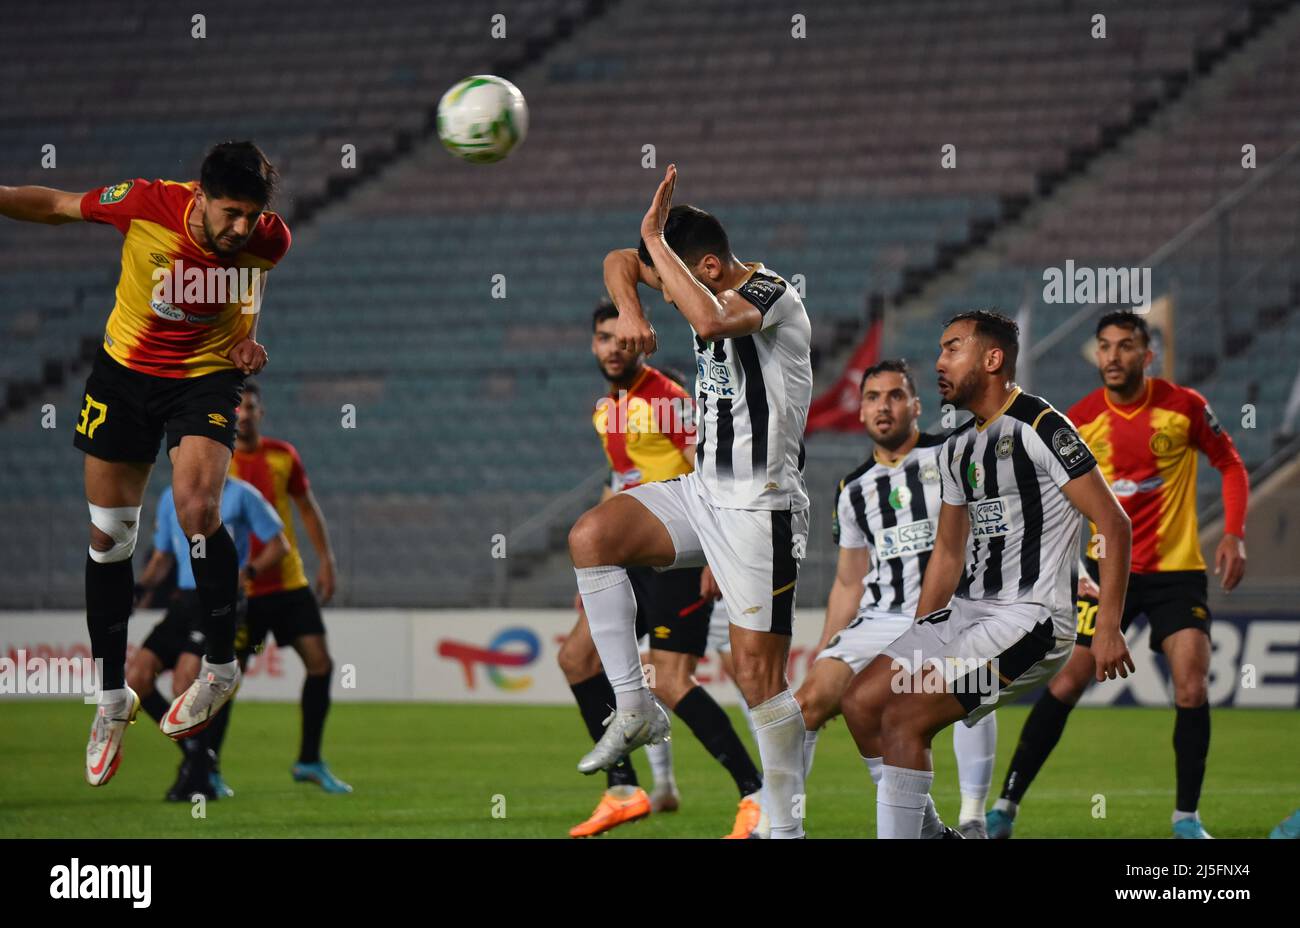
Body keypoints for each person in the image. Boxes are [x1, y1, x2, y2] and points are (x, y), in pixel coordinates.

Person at [0, 140, 290, 785]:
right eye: (232, 213)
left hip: (203, 380)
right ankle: (111, 700)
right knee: (109, 538)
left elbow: (246, 296)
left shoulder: (271, 240)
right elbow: (53, 203)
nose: (241, 228)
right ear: (202, 195)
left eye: (251, 217)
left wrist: (243, 343)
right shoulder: (145, 203)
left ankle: (218, 669)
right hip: (123, 377)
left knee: (198, 510)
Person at [569, 165, 814, 838]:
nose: (672, 301)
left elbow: (706, 315)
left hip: (761, 508)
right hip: (702, 492)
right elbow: (619, 260)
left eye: (675, 279)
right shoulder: (694, 278)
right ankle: (634, 705)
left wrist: (654, 235)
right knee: (593, 536)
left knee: (756, 674)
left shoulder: (771, 292)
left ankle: (784, 823)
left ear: (708, 264)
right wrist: (631, 308)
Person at [840, 310, 1134, 839]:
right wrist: (922, 633)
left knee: (906, 719)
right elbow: (948, 554)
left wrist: (1108, 625)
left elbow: (1113, 521)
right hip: (966, 613)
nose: (939, 362)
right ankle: (931, 833)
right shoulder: (957, 447)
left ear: (992, 359)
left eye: (952, 349)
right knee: (860, 702)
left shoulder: (1042, 426)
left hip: (1032, 624)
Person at [987, 310, 1248, 839]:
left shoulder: (1185, 407)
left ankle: (1186, 820)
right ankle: (1004, 809)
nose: (1113, 356)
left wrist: (1234, 533)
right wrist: (1075, 565)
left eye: (1125, 346)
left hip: (1177, 572)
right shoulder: (1079, 420)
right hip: (1108, 577)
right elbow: (1046, 501)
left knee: (1193, 686)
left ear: (1147, 355)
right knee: (1066, 681)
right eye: (1104, 346)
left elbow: (1231, 463)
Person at [560, 302, 766, 838]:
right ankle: (624, 789)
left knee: (672, 682)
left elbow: (710, 473)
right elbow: (617, 482)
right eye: (604, 338)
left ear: (640, 340)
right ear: (593, 344)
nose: (614, 347)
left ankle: (756, 794)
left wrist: (720, 555)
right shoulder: (608, 409)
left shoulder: (670, 401)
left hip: (676, 554)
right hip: (627, 557)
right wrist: (593, 576)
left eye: (623, 338)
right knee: (576, 659)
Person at [794, 358, 996, 837]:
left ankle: (972, 818)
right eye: (872, 397)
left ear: (916, 406)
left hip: (951, 613)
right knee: (806, 705)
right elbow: (848, 580)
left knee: (970, 698)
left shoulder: (949, 456)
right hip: (881, 616)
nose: (883, 406)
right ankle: (780, 825)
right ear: (860, 412)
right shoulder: (853, 490)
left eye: (894, 395)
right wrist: (827, 646)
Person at [130, 477, 288, 799]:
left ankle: (198, 768)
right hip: (184, 601)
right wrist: (138, 591)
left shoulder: (243, 494)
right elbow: (162, 557)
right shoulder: (168, 498)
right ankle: (198, 756)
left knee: (184, 684)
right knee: (137, 678)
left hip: (219, 599)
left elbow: (279, 545)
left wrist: (250, 572)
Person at [228, 379, 350, 793]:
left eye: (249, 407)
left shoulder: (283, 456)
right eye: (237, 408)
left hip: (289, 582)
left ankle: (309, 760)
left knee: (321, 663)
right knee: (226, 678)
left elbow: (307, 510)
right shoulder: (217, 462)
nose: (243, 415)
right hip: (242, 590)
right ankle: (205, 767)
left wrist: (327, 561)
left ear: (260, 412)